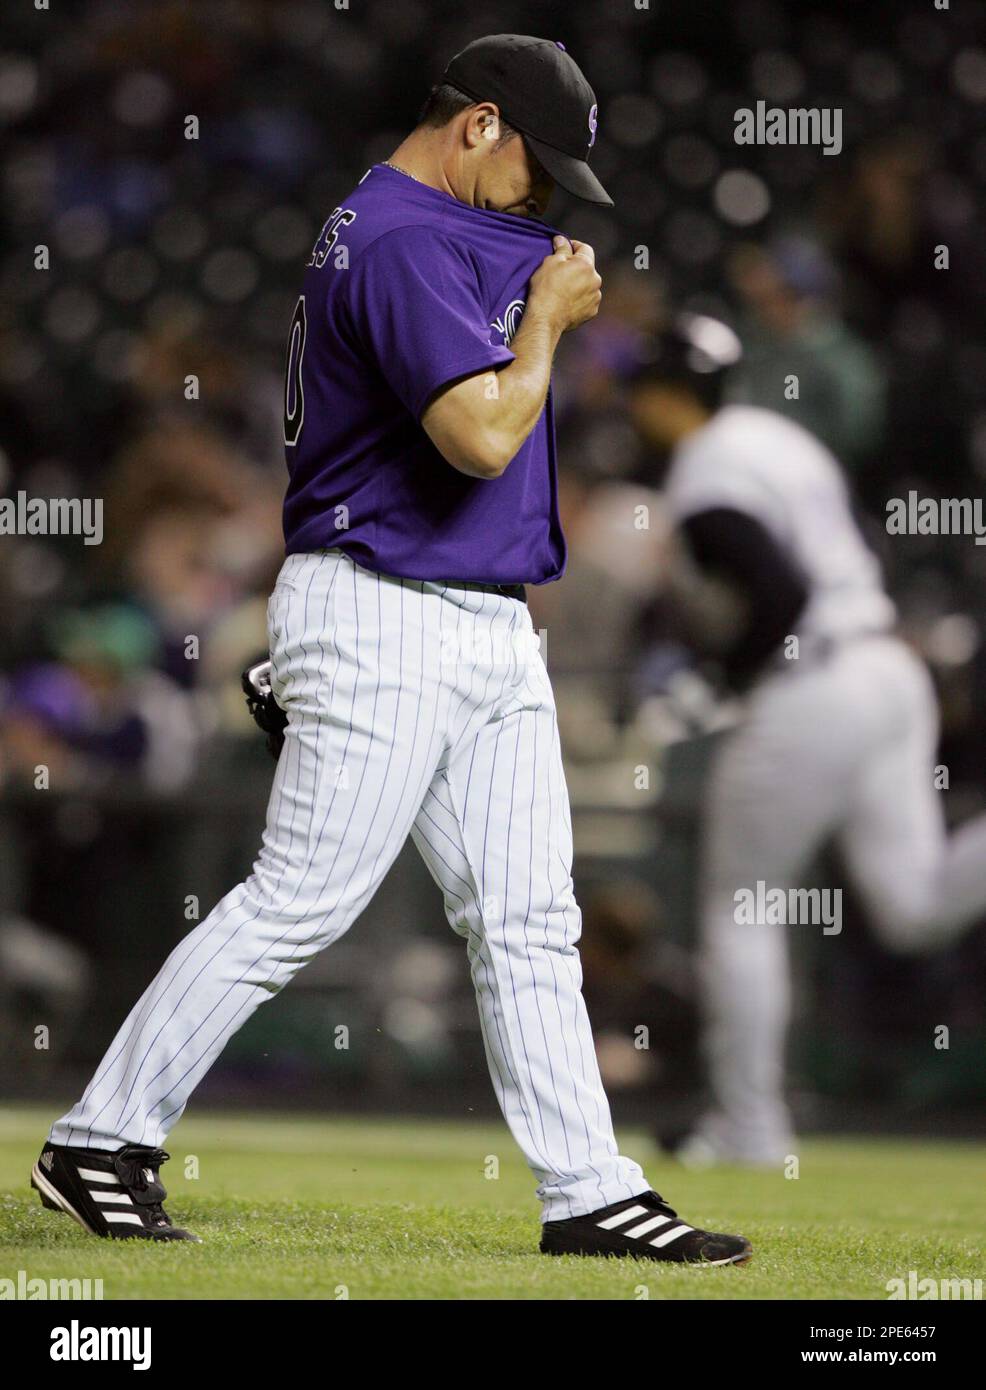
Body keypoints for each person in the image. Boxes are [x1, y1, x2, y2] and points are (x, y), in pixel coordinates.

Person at [32, 37, 751, 1267]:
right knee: (300, 901)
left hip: (475, 614)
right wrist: (544, 327)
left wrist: (549, 297)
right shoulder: (400, 234)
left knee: (528, 919)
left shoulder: (432, 229)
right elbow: (477, 435)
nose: (541, 198)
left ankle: (587, 1189)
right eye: (535, 168)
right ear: (477, 125)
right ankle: (99, 1139)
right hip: (386, 602)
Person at [629, 313, 986, 1166]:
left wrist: (724, 679)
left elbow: (777, 591)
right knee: (913, 904)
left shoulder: (708, 464)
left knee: (739, 904)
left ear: (669, 394)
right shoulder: (780, 437)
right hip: (885, 666)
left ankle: (749, 1128)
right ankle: (743, 1123)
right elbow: (853, 548)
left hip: (814, 680)